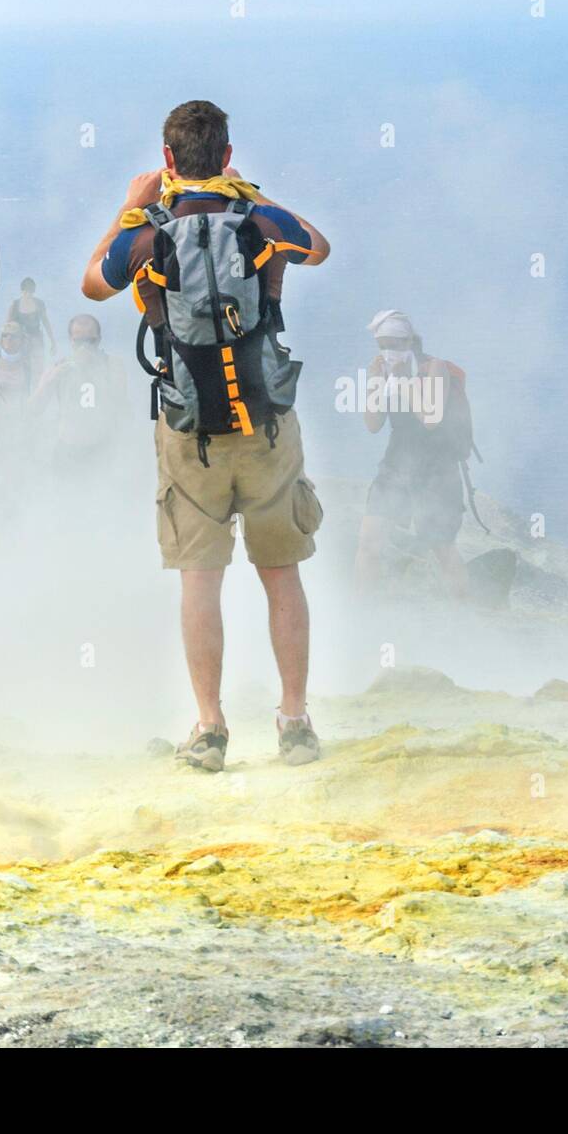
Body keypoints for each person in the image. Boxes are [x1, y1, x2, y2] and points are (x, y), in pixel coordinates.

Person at [81, 99, 329, 772]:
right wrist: (255, 194)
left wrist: (130, 207)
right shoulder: (259, 219)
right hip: (266, 423)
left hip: (189, 429)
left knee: (200, 579)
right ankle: (295, 722)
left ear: (167, 162)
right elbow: (320, 246)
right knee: (281, 574)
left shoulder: (147, 231)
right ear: (225, 156)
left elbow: (91, 287)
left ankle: (211, 728)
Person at [354, 309, 471, 600]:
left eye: (394, 343)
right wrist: (374, 384)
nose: (388, 350)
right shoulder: (385, 373)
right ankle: (362, 609)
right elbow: (373, 424)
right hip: (396, 465)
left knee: (441, 545)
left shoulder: (435, 368)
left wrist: (403, 382)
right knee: (369, 542)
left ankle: (466, 615)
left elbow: (430, 417)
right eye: (382, 344)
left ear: (410, 341)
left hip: (436, 470)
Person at [29, 312, 127, 476]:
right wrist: (51, 380)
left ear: (99, 339)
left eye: (91, 341)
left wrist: (96, 370)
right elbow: (33, 409)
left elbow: (120, 404)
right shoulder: (58, 367)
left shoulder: (113, 365)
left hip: (102, 449)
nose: (85, 346)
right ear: (71, 340)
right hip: (67, 451)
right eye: (78, 341)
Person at [0, 320, 35, 410]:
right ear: (0, 339)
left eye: (14, 335)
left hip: (20, 415)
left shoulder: (27, 363)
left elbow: (33, 392)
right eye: (5, 335)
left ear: (22, 340)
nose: (9, 338)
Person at [6, 278, 55, 371]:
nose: (28, 295)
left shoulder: (39, 304)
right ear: (22, 291)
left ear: (33, 292)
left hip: (37, 339)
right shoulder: (14, 305)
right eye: (26, 292)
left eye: (31, 292)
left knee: (39, 365)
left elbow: (46, 323)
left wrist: (53, 341)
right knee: (21, 366)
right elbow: (7, 327)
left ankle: (38, 382)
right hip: (20, 340)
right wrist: (6, 346)